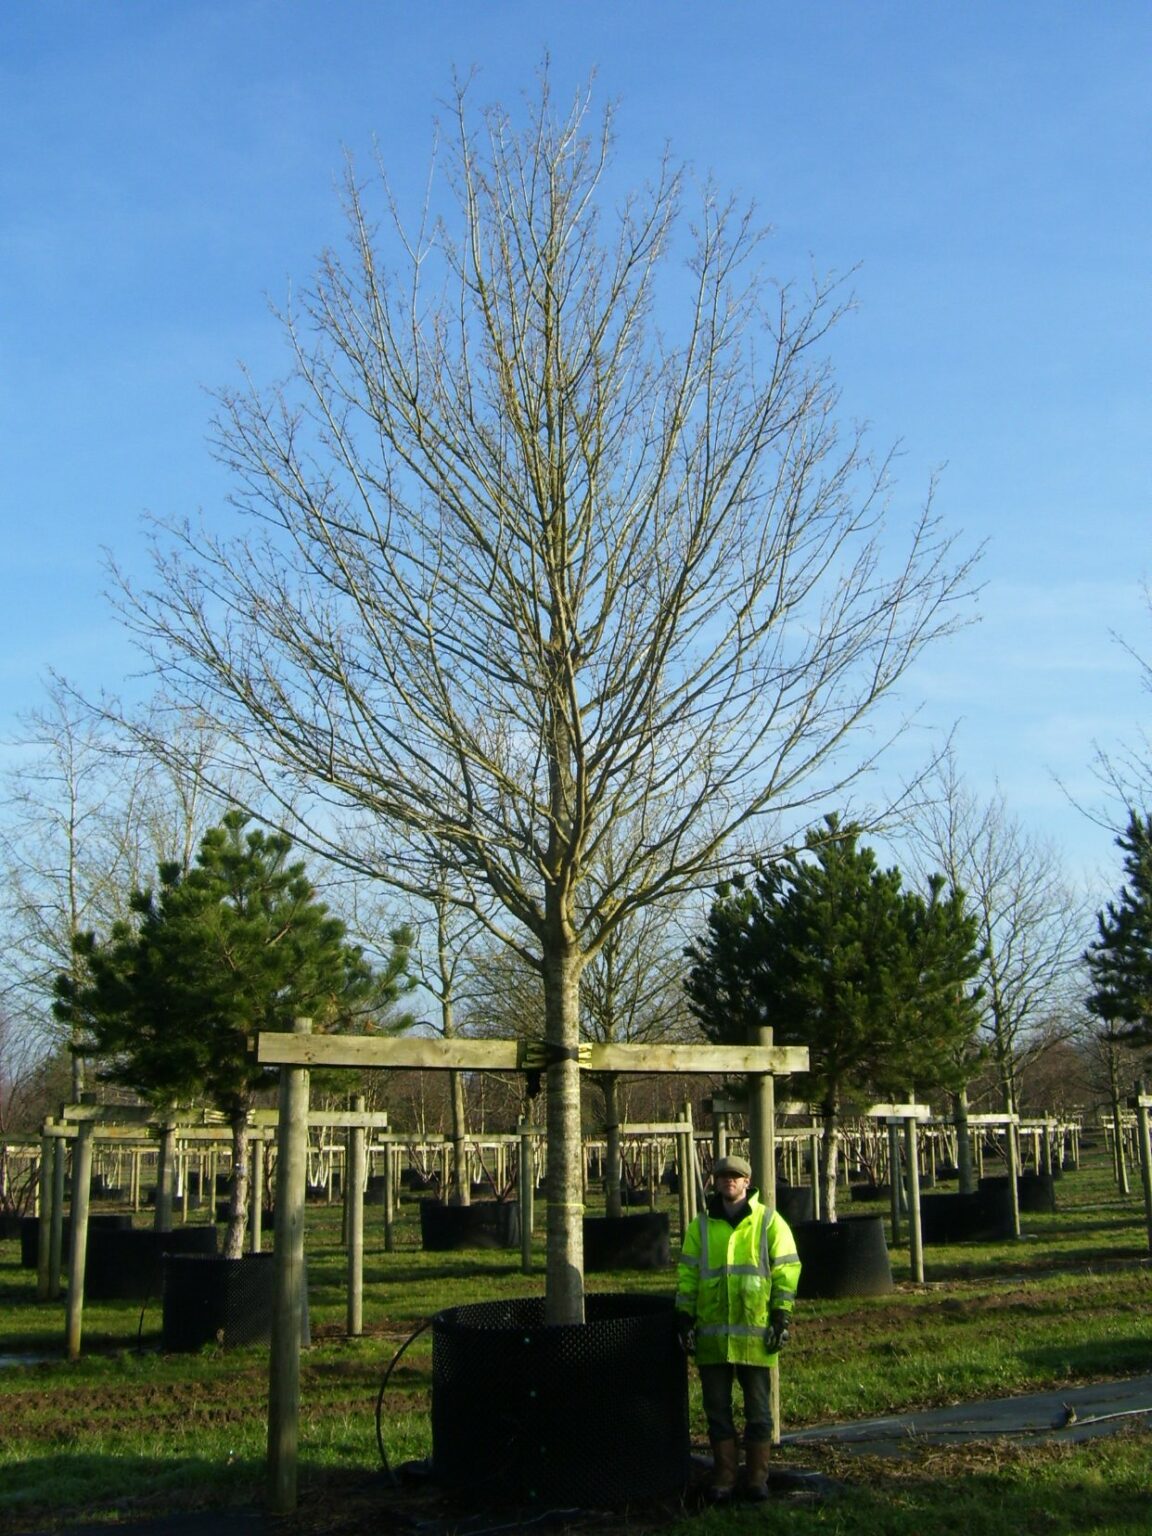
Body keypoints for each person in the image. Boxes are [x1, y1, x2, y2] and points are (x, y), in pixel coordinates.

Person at [674, 1153, 801, 1502]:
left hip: (755, 1337)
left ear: (748, 1182)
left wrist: (781, 1314)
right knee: (717, 1411)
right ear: (715, 1182)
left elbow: (787, 1270)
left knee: (758, 1411)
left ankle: (757, 1478)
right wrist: (684, 1316)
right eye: (723, 1176)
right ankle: (725, 1477)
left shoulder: (769, 1222)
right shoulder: (700, 1227)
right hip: (713, 1337)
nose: (729, 1181)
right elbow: (688, 1276)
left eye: (736, 1176)